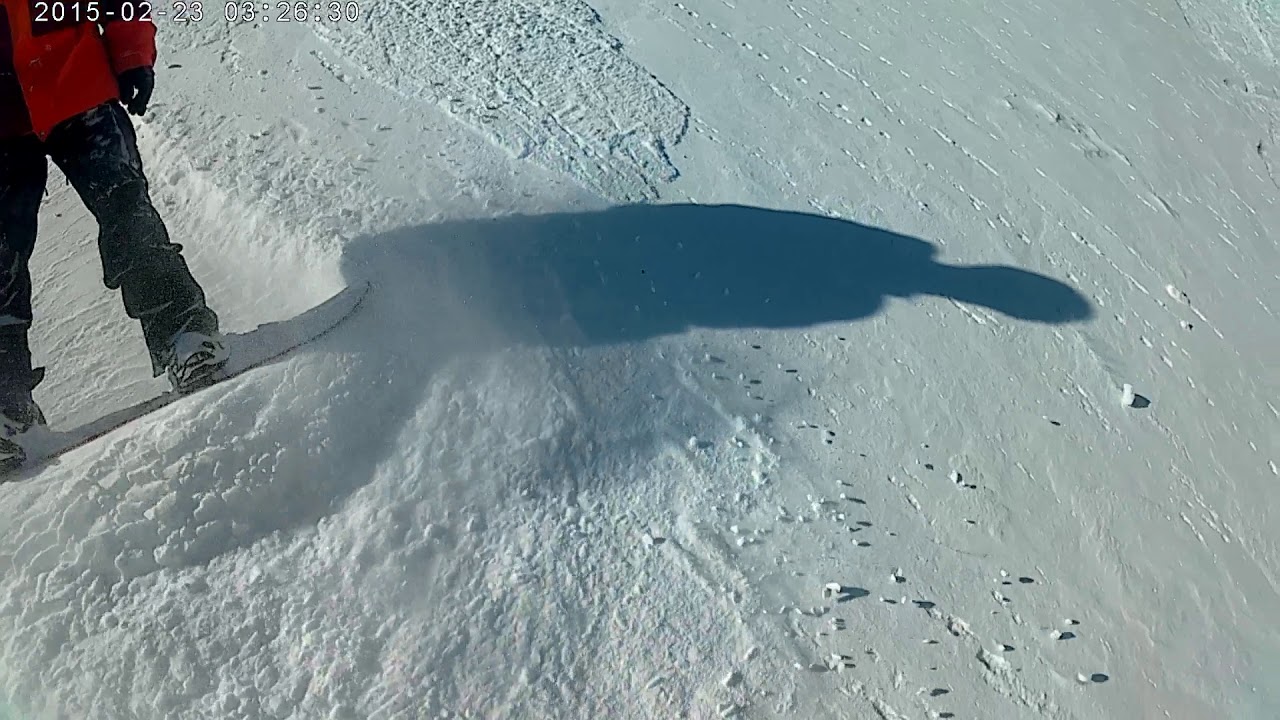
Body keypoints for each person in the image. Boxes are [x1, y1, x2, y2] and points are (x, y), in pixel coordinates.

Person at [0, 0, 228, 463]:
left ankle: (185, 335)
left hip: (76, 86)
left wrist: (132, 56)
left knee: (125, 207)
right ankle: (7, 407)